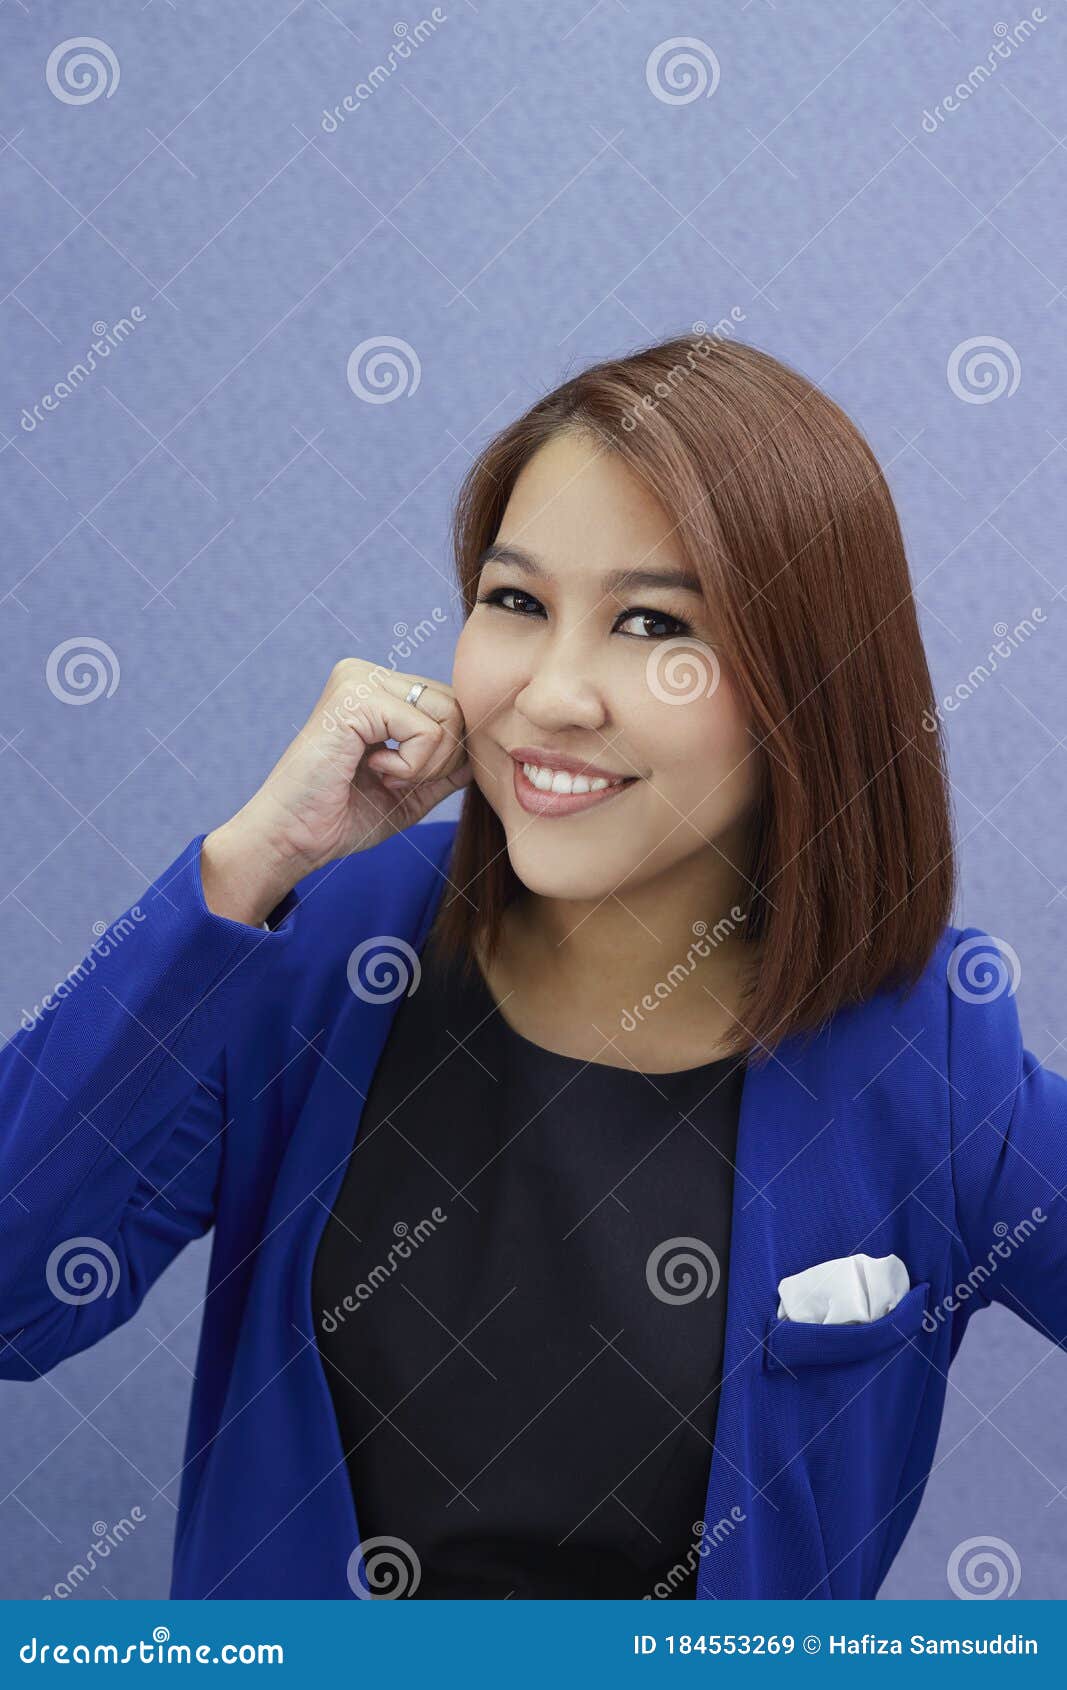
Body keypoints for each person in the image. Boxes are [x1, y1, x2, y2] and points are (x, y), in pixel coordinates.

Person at [1, 334, 1063, 1601]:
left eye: (651, 624)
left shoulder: (929, 1045)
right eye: (514, 602)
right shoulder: (323, 942)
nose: (551, 693)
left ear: (810, 686)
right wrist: (246, 866)